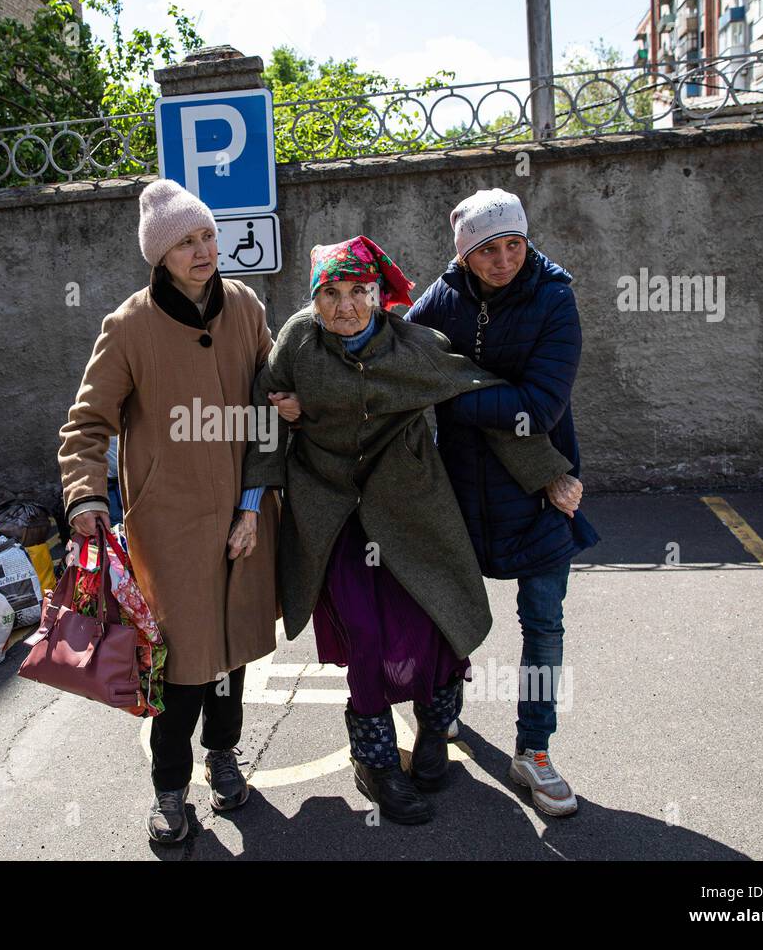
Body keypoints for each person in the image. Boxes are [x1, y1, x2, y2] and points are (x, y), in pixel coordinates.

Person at [242, 235, 573, 824]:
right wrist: (258, 487)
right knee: (368, 635)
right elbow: (264, 406)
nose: (345, 307)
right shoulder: (298, 341)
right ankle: (374, 762)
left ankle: (431, 733)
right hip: (334, 512)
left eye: (358, 292)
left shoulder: (416, 347)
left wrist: (548, 473)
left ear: (379, 295)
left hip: (413, 506)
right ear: (314, 300)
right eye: (330, 294)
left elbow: (488, 396)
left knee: (436, 625)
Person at [57, 179, 297, 845]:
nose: (203, 250)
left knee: (234, 655)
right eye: (186, 241)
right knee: (180, 668)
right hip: (168, 528)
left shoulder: (245, 306)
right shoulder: (129, 326)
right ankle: (169, 790)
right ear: (158, 256)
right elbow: (85, 427)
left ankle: (223, 759)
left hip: (244, 520)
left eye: (208, 236)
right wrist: (83, 495)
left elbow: (267, 405)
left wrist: (256, 499)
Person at [405, 188, 600, 817]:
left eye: (513, 243)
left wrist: (454, 393)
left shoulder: (553, 298)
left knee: (543, 626)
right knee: (444, 612)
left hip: (541, 491)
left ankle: (534, 753)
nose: (504, 259)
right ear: (464, 256)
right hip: (457, 490)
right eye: (487, 249)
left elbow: (540, 407)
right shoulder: (443, 300)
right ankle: (442, 719)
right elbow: (400, 362)